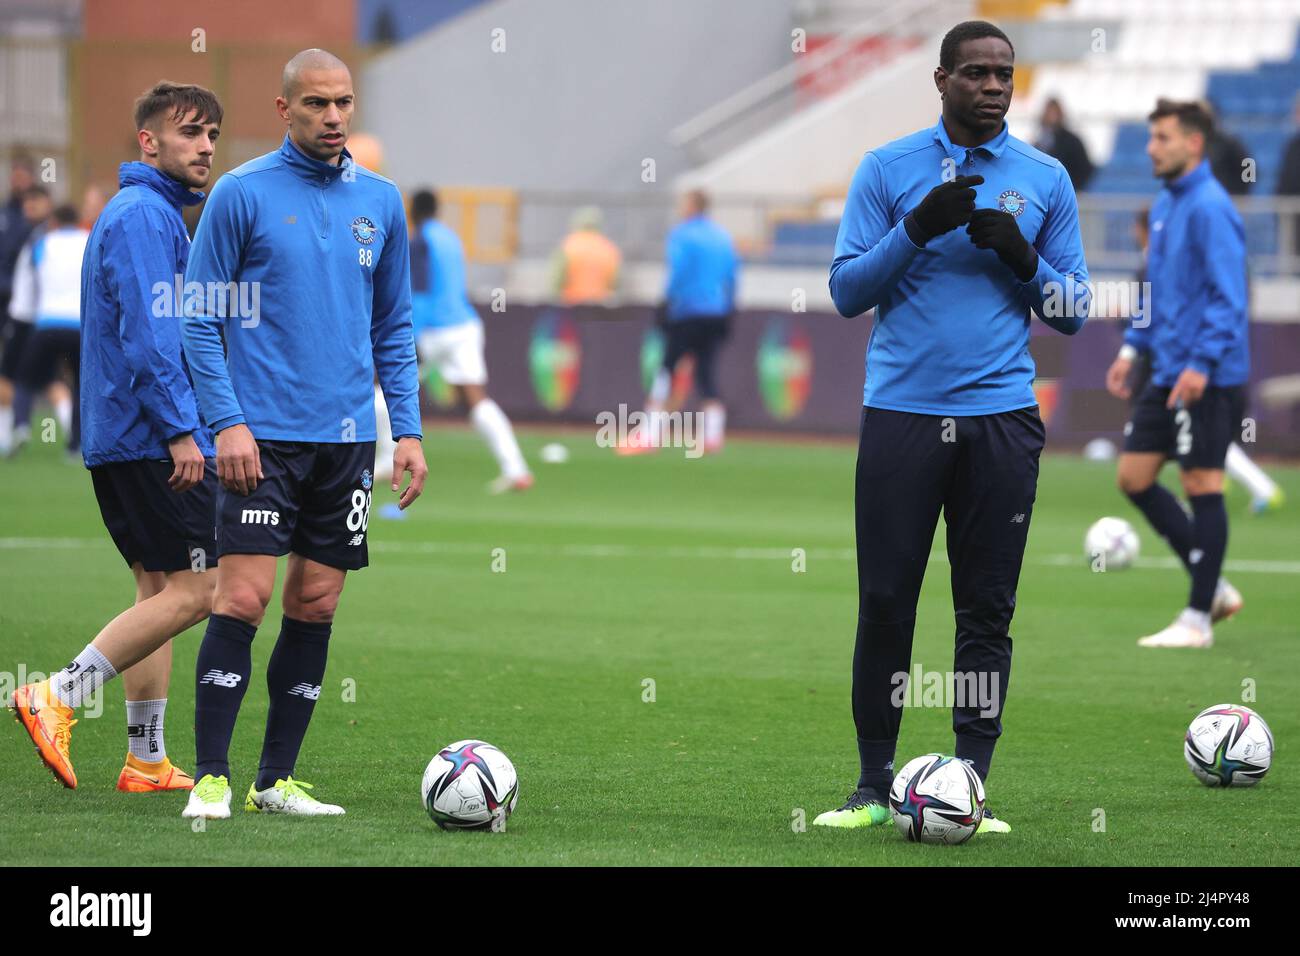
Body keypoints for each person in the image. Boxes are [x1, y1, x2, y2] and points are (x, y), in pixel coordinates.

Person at [814, 20, 1089, 832]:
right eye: (976, 73)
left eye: (1005, 73)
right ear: (941, 81)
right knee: (887, 599)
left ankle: (969, 785)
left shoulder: (1045, 178)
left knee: (986, 609)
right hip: (902, 413)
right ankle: (871, 786)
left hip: (1002, 419)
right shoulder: (887, 169)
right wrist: (917, 229)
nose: (995, 86)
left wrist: (1024, 259)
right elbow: (844, 291)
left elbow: (1074, 312)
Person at [179, 48, 427, 819]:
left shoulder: (381, 201)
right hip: (263, 440)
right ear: (285, 109)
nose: (333, 118)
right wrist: (228, 423)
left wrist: (408, 433)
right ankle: (212, 776)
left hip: (347, 443)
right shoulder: (241, 194)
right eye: (317, 105)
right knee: (244, 598)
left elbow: (393, 324)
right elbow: (199, 319)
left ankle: (273, 782)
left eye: (344, 104)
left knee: (315, 603)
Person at [9, 82, 224, 793]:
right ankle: (57, 695)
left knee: (155, 590)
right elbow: (151, 336)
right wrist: (182, 431)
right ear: (149, 141)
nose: (204, 146)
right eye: (189, 132)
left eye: (212, 135)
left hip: (124, 434)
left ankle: (147, 759)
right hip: (147, 439)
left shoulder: (151, 212)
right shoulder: (141, 216)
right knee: (200, 590)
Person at [1105, 99, 1250, 648]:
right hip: (1165, 370)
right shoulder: (1166, 204)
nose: (1150, 147)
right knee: (1134, 478)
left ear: (1192, 143)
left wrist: (1202, 364)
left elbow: (1228, 298)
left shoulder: (1211, 207)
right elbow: (1151, 291)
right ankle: (1212, 586)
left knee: (1200, 483)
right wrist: (1131, 348)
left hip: (1206, 377)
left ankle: (1196, 620)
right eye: (1150, 137)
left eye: (1161, 137)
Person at [407, 187, 531, 493]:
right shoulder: (451, 238)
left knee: (384, 388)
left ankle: (383, 461)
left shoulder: (420, 241)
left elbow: (421, 291)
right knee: (477, 398)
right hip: (465, 325)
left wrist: (413, 334)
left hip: (435, 329)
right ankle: (516, 469)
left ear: (413, 211)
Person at [621, 190, 738, 455]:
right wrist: (729, 308)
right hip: (717, 312)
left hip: (687, 311)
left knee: (666, 370)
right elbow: (732, 275)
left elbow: (679, 271)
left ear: (691, 205)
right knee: (707, 372)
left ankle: (649, 435)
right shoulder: (722, 237)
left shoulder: (682, 234)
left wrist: (667, 301)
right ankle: (713, 436)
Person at [10, 203, 88, 456]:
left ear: (53, 221)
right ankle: (76, 444)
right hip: (79, 324)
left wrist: (21, 318)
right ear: (78, 221)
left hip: (46, 323)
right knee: (80, 385)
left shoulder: (41, 243)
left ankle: (21, 424)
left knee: (25, 378)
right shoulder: (88, 240)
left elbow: (24, 287)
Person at [0, 184, 54, 454]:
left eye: (35, 202)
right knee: (47, 378)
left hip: (29, 316)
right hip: (39, 315)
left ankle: (11, 433)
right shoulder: (27, 233)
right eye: (27, 203)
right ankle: (70, 436)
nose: (29, 208)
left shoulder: (44, 236)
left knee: (10, 373)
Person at [550, 206, 621, 305]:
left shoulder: (568, 247)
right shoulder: (609, 249)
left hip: (572, 306)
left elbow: (556, 281)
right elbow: (615, 283)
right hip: (599, 308)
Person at [1034, 97, 1093, 191]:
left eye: (1054, 113)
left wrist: (1071, 188)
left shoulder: (1073, 141)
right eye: (1048, 113)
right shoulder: (1039, 143)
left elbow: (1085, 169)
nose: (1051, 117)